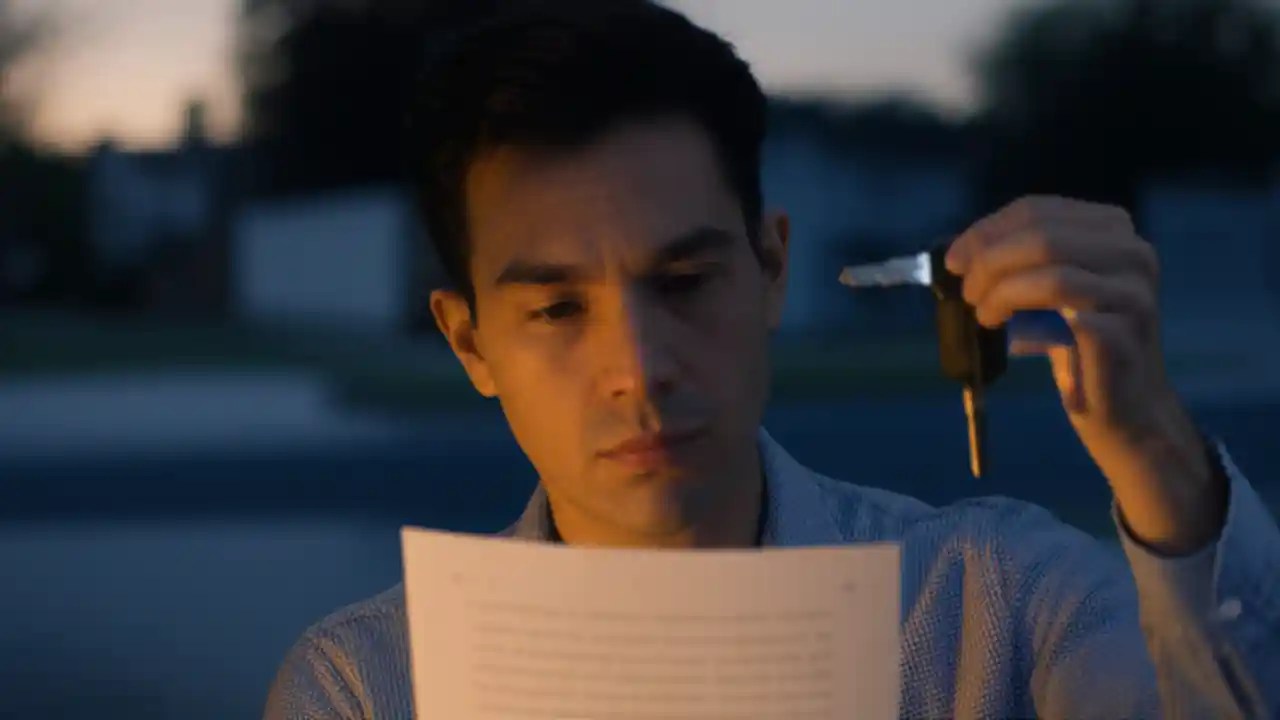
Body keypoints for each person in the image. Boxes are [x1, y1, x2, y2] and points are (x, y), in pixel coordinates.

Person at [263, 1, 1279, 717]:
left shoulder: (999, 606)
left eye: (683, 282)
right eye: (559, 308)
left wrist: (1155, 452)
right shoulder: (367, 689)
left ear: (769, 268)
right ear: (469, 341)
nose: (638, 365)